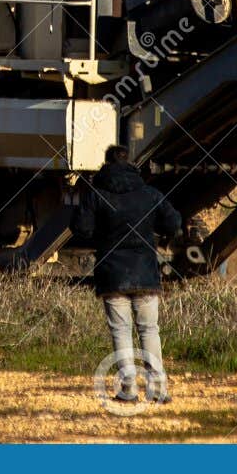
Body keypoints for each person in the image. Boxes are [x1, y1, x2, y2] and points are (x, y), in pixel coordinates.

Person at [73, 146, 183, 404]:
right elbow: (174, 223)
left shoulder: (96, 195)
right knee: (149, 330)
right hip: (145, 273)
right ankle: (158, 390)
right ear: (131, 164)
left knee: (121, 331)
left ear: (106, 165)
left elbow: (81, 228)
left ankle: (129, 390)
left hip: (112, 275)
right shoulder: (149, 194)